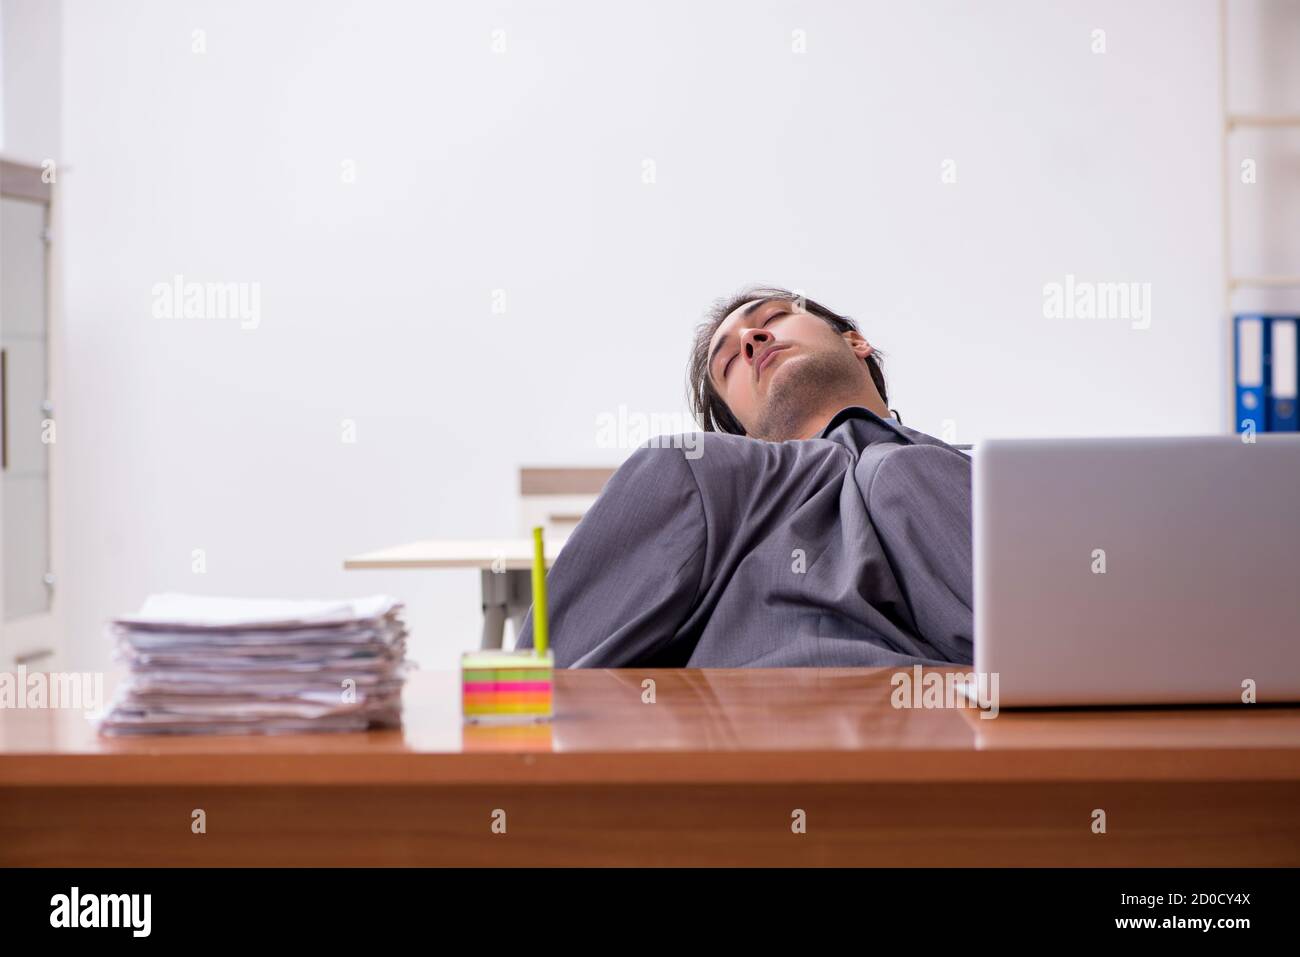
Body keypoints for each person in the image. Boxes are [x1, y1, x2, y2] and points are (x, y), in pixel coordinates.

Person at [516, 285, 973, 667]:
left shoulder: (979, 474)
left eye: (774, 317)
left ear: (856, 342)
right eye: (729, 362)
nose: (752, 340)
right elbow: (538, 687)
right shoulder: (696, 472)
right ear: (744, 430)